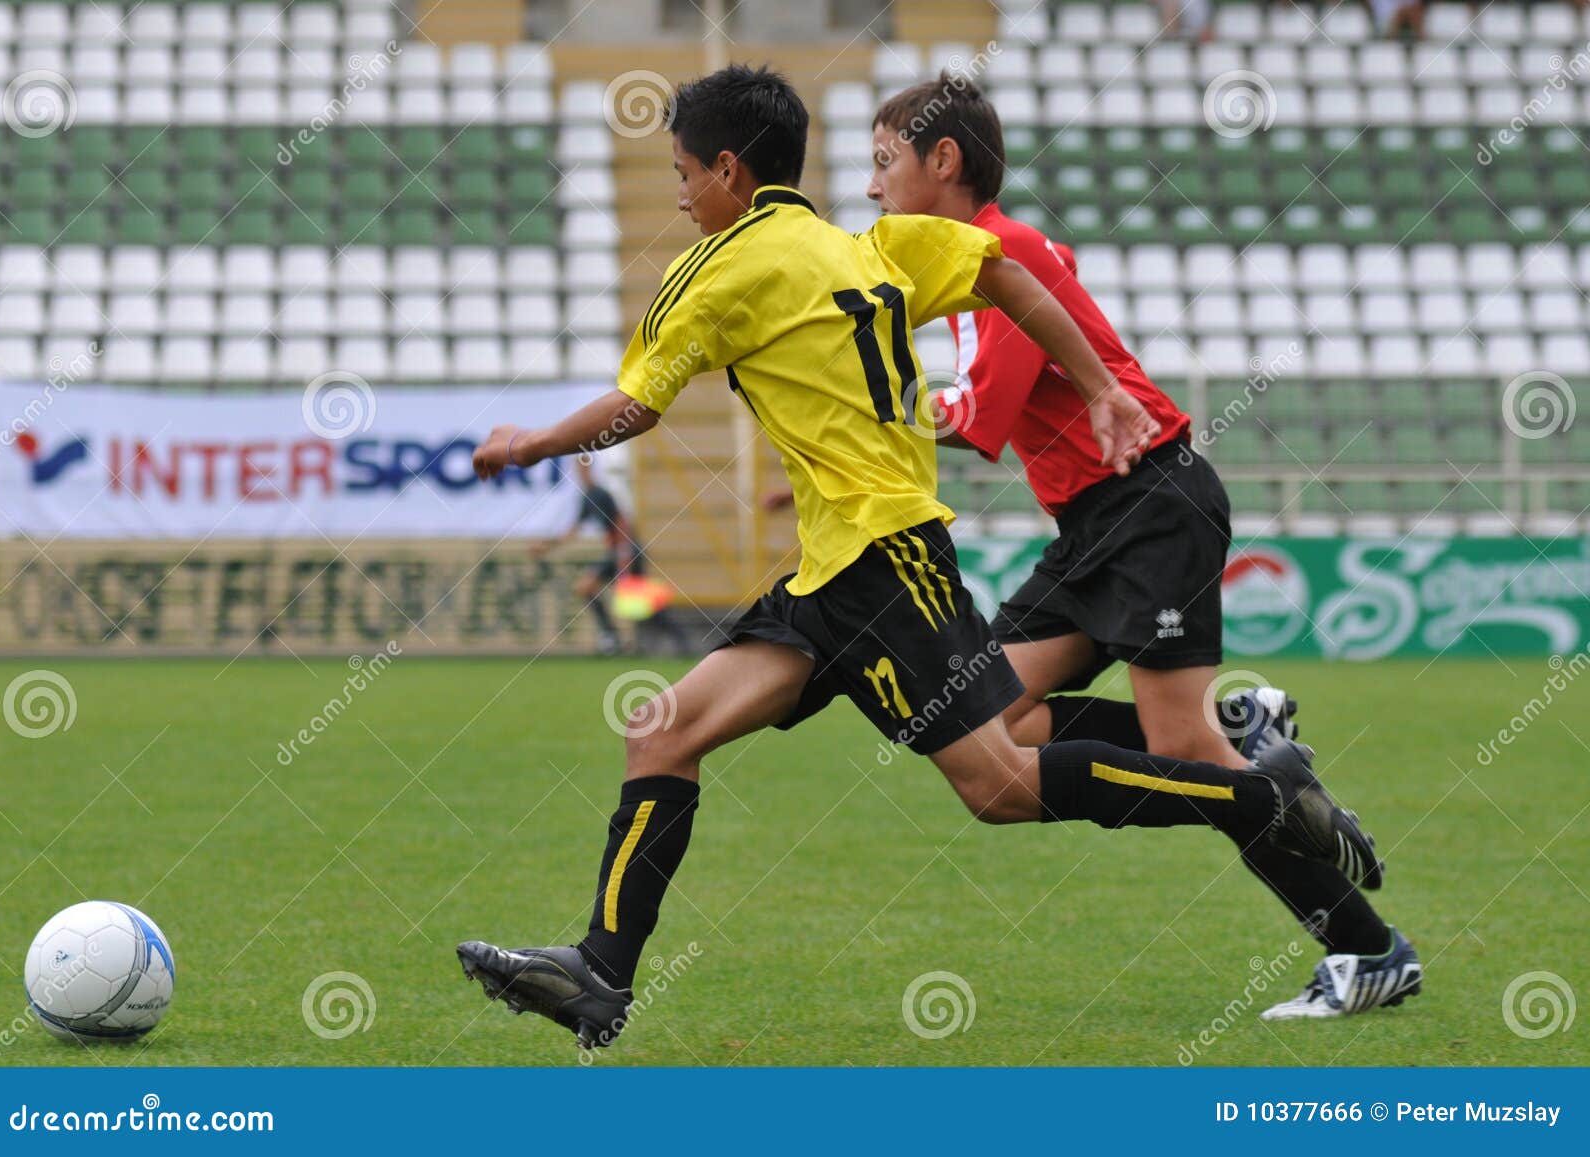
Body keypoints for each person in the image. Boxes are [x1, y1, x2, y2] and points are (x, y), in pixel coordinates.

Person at [456, 64, 1383, 1048]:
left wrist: (528, 443)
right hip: (831, 572)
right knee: (661, 730)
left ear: (729, 170)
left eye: (684, 171)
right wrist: (1096, 384)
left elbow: (636, 403)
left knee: (998, 785)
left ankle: (1255, 791)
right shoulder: (876, 246)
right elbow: (1006, 273)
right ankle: (600, 973)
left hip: (880, 563)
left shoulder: (721, 266)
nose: (680, 191)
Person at [864, 73, 1420, 1019]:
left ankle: (1368, 950)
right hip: (1092, 526)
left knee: (1180, 747)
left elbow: (981, 419)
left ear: (942, 161)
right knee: (985, 721)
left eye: (884, 162)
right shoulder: (975, 263)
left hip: (1152, 504)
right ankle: (1248, 744)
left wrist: (869, 401)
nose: (873, 188)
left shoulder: (1007, 252)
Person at [537, 457, 688, 655]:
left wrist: (623, 557)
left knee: (634, 600)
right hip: (617, 551)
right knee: (590, 589)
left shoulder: (601, 494)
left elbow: (622, 523)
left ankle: (676, 636)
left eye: (584, 467)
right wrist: (545, 547)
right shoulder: (587, 497)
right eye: (577, 468)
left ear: (590, 469)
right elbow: (572, 532)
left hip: (627, 550)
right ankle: (612, 637)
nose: (581, 471)